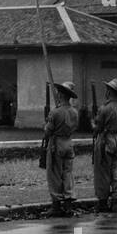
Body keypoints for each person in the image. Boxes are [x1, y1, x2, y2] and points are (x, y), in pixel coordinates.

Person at [43, 80, 79, 216]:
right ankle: (68, 204)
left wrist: (45, 125)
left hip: (56, 144)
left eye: (59, 92)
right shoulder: (74, 112)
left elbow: (48, 132)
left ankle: (56, 206)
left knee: (55, 175)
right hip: (68, 143)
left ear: (61, 95)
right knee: (68, 174)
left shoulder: (55, 112)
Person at [92, 78, 117, 213]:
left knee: (103, 173)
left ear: (110, 91)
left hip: (106, 140)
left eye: (107, 89)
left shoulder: (104, 108)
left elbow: (98, 128)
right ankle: (116, 201)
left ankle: (103, 202)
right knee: (115, 172)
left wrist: (93, 124)